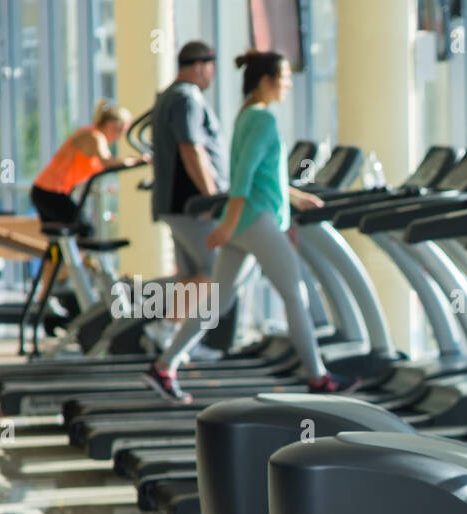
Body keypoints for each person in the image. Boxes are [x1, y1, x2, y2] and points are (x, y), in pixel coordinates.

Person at [142, 50, 357, 403]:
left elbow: (261, 174)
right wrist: (227, 225)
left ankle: (164, 366)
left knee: (220, 300)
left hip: (251, 218)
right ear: (266, 81)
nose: (288, 84)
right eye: (284, 77)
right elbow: (242, 181)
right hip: (254, 219)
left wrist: (294, 197)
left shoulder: (247, 116)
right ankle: (318, 377)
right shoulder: (262, 120)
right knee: (295, 294)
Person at [150, 40, 229, 280]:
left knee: (190, 274)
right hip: (191, 206)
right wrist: (211, 199)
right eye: (211, 68)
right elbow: (191, 150)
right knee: (216, 272)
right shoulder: (187, 98)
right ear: (198, 65)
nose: (212, 76)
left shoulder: (167, 95)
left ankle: (172, 320)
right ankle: (183, 318)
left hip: (176, 204)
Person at [31, 102, 145, 234]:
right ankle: (83, 254)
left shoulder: (93, 135)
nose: (119, 137)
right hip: (49, 192)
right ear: (110, 124)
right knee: (84, 229)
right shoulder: (94, 137)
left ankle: (56, 255)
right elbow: (107, 163)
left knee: (62, 237)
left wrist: (134, 160)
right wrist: (136, 161)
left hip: (46, 191)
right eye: (120, 130)